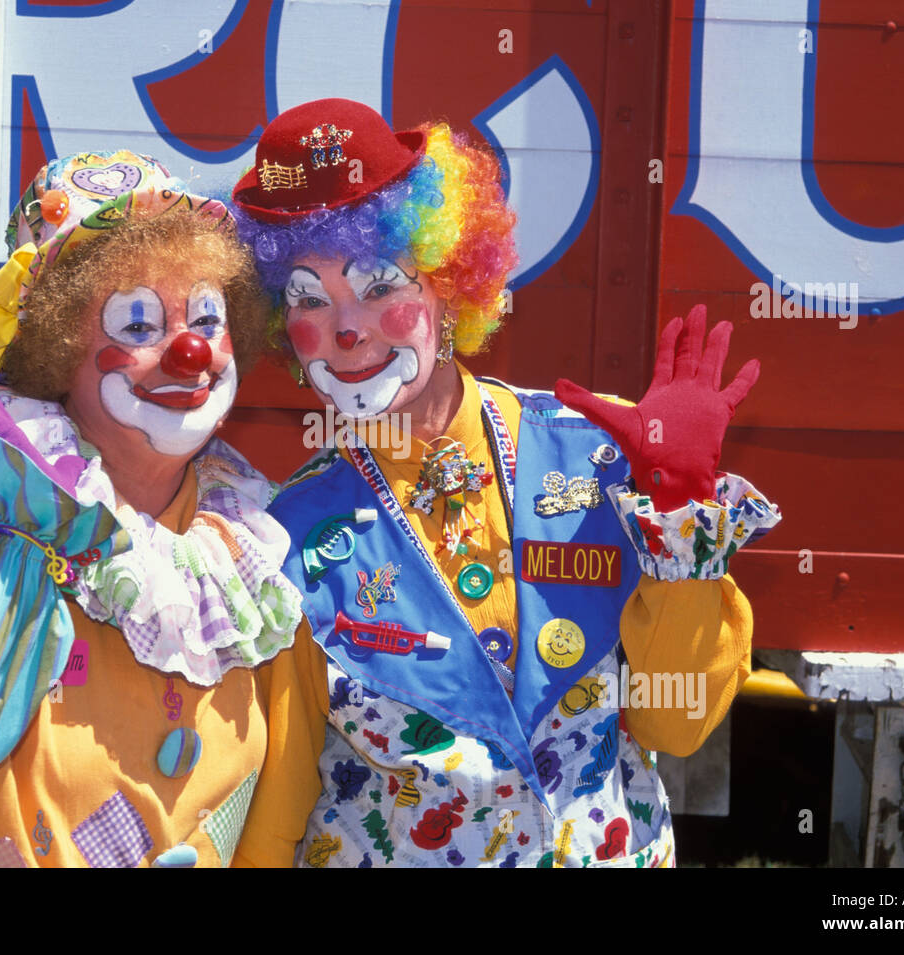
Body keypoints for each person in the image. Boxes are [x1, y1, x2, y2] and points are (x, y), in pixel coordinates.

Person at [230, 99, 783, 867]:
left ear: (447, 287)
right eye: (308, 300)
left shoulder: (598, 450)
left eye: (380, 285)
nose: (346, 329)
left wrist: (679, 501)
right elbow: (279, 800)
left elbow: (676, 726)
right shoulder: (289, 537)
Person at [0, 150, 320, 868]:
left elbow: (275, 813)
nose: (191, 351)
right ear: (56, 350)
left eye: (205, 315)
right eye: (137, 324)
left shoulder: (247, 546)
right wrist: (24, 523)